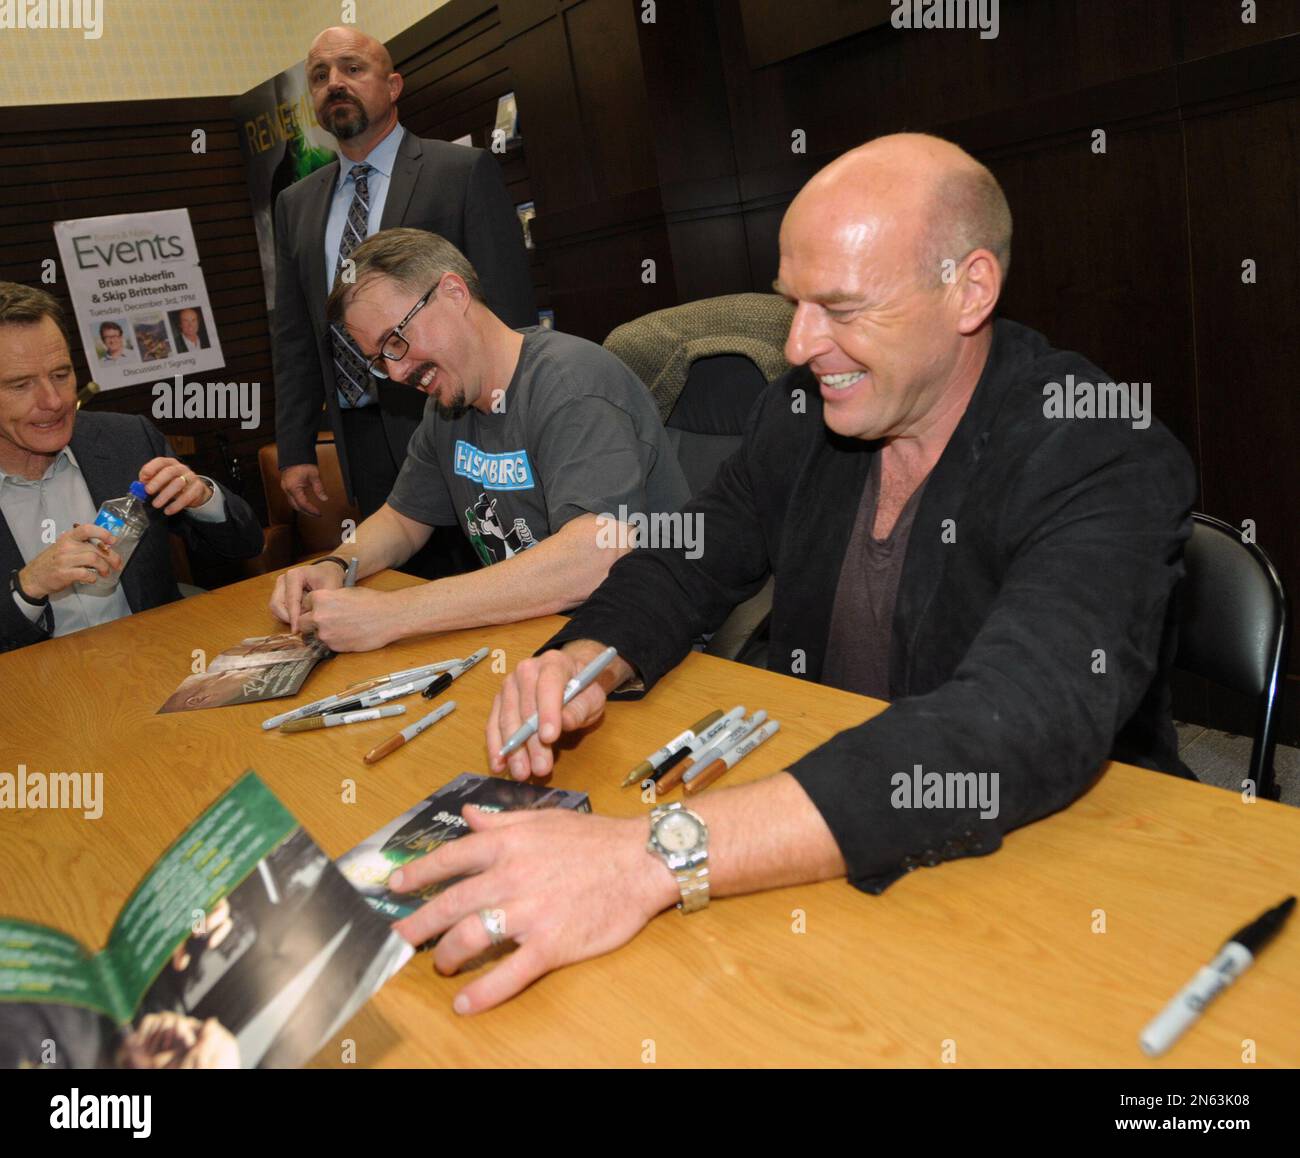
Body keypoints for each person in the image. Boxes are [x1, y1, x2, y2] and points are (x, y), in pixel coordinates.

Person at [385, 133, 1198, 1015]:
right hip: (834, 839)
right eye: (793, 304)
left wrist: (652, 853)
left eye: (841, 307)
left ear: (970, 291)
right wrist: (582, 655)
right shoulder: (807, 412)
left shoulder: (1098, 446)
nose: (801, 345)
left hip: (1062, 877)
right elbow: (691, 552)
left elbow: (1010, 725)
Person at [268, 228, 690, 652]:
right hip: (531, 636)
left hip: (641, 643)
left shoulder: (572, 385)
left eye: (395, 341)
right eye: (380, 361)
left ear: (453, 293)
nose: (395, 374)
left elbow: (594, 557)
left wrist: (394, 614)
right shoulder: (449, 403)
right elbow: (402, 520)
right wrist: (337, 563)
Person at [273, 25, 535, 545]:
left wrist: (514, 423)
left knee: (481, 573)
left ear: (393, 86)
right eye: (320, 76)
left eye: (352, 68)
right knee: (396, 585)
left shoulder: (460, 172)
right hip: (359, 435)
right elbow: (295, 334)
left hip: (457, 419)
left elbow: (505, 304)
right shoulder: (295, 204)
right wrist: (296, 448)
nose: (334, 84)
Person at [0, 283, 263, 653]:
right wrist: (27, 589)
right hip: (38, 694)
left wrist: (203, 499)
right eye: (20, 385)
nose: (54, 401)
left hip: (157, 663)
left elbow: (244, 547)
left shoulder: (127, 439)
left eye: (61, 375)